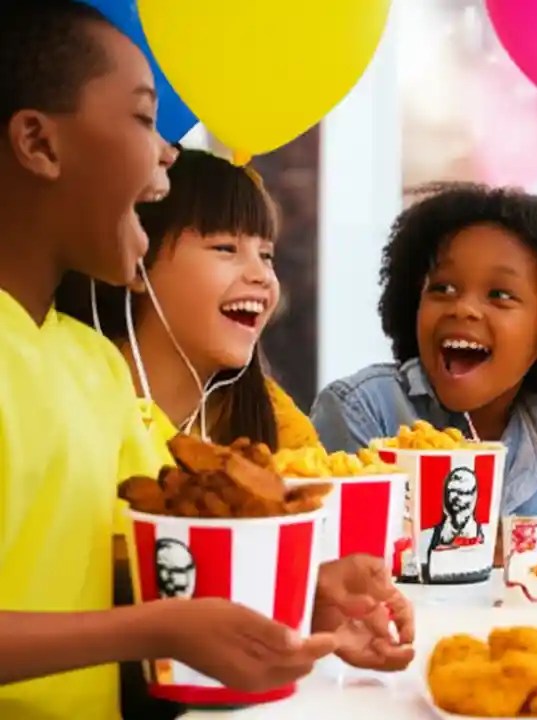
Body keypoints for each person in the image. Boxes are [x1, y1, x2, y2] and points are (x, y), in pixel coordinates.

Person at [0, 4, 410, 719]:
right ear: (39, 142)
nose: (167, 153)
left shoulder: (92, 364)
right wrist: (156, 628)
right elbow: (147, 613)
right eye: (141, 119)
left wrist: (306, 591)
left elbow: (140, 554)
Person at [311, 182, 537, 517]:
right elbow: (353, 551)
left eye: (499, 295)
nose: (463, 309)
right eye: (443, 288)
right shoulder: (363, 411)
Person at [56, 147, 320, 453]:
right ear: (137, 261)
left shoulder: (279, 428)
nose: (261, 275)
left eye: (266, 255)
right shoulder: (59, 392)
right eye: (225, 248)